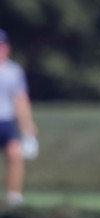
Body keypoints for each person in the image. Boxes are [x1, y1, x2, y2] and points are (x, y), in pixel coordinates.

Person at [0, 28, 37, 207]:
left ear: (7, 48)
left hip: (5, 121)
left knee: (15, 156)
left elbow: (20, 100)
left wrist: (27, 125)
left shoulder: (14, 71)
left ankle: (13, 196)